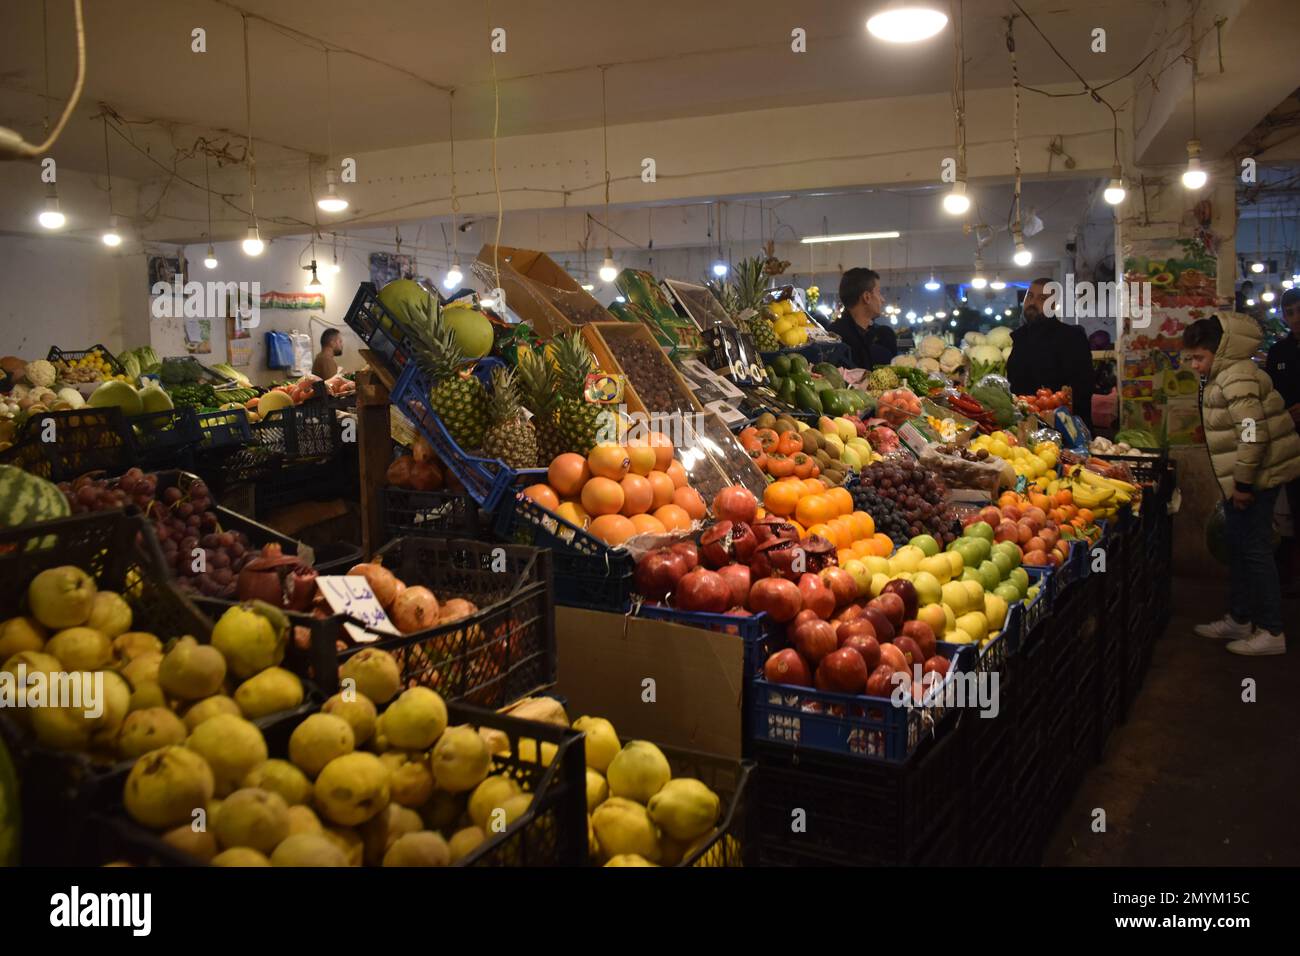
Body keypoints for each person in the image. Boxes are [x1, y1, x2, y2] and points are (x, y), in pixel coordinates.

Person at [1186, 314, 1300, 655]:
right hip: (1246, 476)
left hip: (1257, 477)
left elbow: (1252, 435)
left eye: (1199, 358)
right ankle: (1240, 617)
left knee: (1254, 550)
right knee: (1239, 546)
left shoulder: (1237, 377)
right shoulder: (1224, 374)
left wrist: (1243, 485)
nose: (1194, 365)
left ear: (1218, 352)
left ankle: (1271, 630)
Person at [1005, 277, 1095, 427]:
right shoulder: (1019, 338)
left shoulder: (1072, 337)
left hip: (1063, 431)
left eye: (1042, 298)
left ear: (1054, 305)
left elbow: (1082, 391)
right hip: (1024, 427)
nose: (1032, 303)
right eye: (1030, 296)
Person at [1265, 287, 1300, 593]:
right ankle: (1287, 575)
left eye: (1299, 311)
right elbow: (1270, 396)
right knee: (1288, 509)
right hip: (1287, 439)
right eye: (1290, 313)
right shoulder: (1278, 353)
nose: (1296, 318)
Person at [829, 268, 896, 368]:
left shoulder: (874, 335)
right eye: (879, 292)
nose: (883, 300)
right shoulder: (836, 340)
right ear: (867, 297)